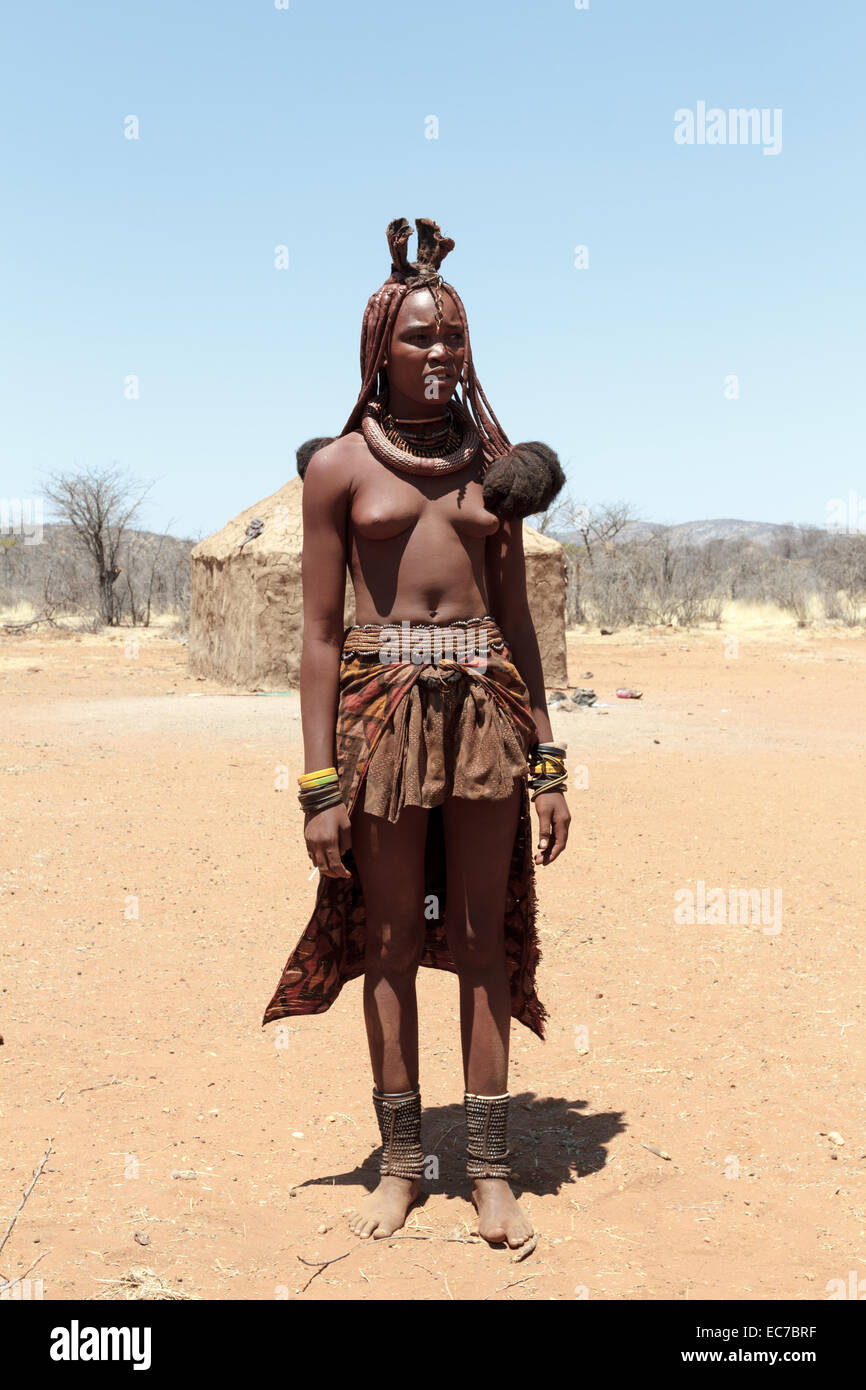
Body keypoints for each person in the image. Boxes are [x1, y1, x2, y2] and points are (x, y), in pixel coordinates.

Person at [263, 217, 571, 1250]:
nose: (440, 353)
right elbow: (313, 637)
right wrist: (317, 784)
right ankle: (400, 1164)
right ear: (378, 348)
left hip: (484, 714)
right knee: (388, 941)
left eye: (453, 338)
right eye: (419, 338)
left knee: (482, 942)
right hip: (380, 723)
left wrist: (548, 761)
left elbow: (517, 618)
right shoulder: (341, 471)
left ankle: (486, 1172)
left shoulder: (496, 469)